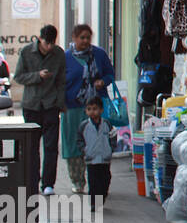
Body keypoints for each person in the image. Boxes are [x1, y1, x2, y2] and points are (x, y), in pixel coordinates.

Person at [62, 24, 116, 195]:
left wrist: (103, 81)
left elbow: (110, 74)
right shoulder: (66, 57)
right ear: (74, 38)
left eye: (88, 37)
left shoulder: (99, 54)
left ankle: (99, 182)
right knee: (73, 143)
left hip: (96, 107)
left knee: (98, 142)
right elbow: (60, 82)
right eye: (82, 38)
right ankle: (77, 181)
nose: (85, 41)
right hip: (72, 107)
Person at [13, 25, 65, 195]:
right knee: (31, 147)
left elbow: (61, 81)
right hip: (32, 105)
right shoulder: (27, 52)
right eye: (46, 43)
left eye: (52, 43)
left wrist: (60, 103)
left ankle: (48, 184)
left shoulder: (59, 54)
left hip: (51, 105)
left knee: (51, 146)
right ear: (39, 39)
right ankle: (32, 182)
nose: (49, 46)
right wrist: (37, 76)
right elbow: (18, 76)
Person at [79, 95, 117, 210]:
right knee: (93, 181)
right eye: (89, 109)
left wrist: (110, 149)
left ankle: (102, 197)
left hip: (104, 158)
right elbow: (79, 140)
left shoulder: (106, 124)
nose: (92, 112)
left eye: (95, 109)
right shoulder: (84, 126)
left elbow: (112, 137)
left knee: (105, 179)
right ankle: (93, 202)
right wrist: (84, 150)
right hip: (91, 159)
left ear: (101, 110)